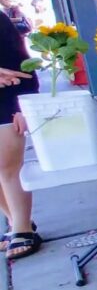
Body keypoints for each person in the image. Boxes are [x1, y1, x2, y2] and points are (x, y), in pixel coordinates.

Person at [0, 15, 37, 258]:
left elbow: (22, 66)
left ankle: (23, 226)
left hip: (6, 98)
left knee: (7, 166)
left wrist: (24, 105)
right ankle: (15, 221)